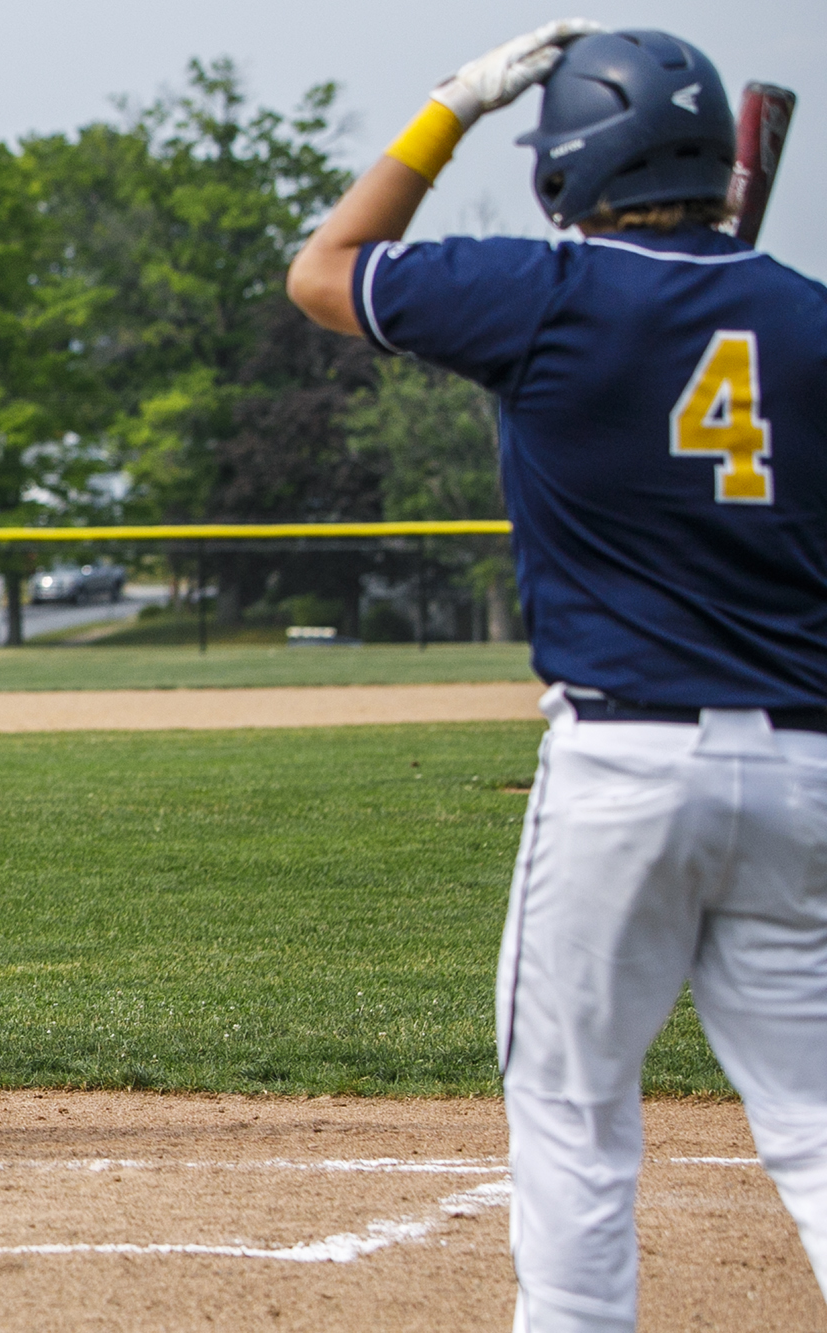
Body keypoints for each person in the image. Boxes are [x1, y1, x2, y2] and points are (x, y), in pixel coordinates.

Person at [289, 23, 827, 1330]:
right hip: (809, 767)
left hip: (623, 768)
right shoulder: (810, 318)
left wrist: (449, 111)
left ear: (571, 161)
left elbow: (324, 271)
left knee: (577, 1116)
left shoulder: (544, 294)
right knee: (819, 1127)